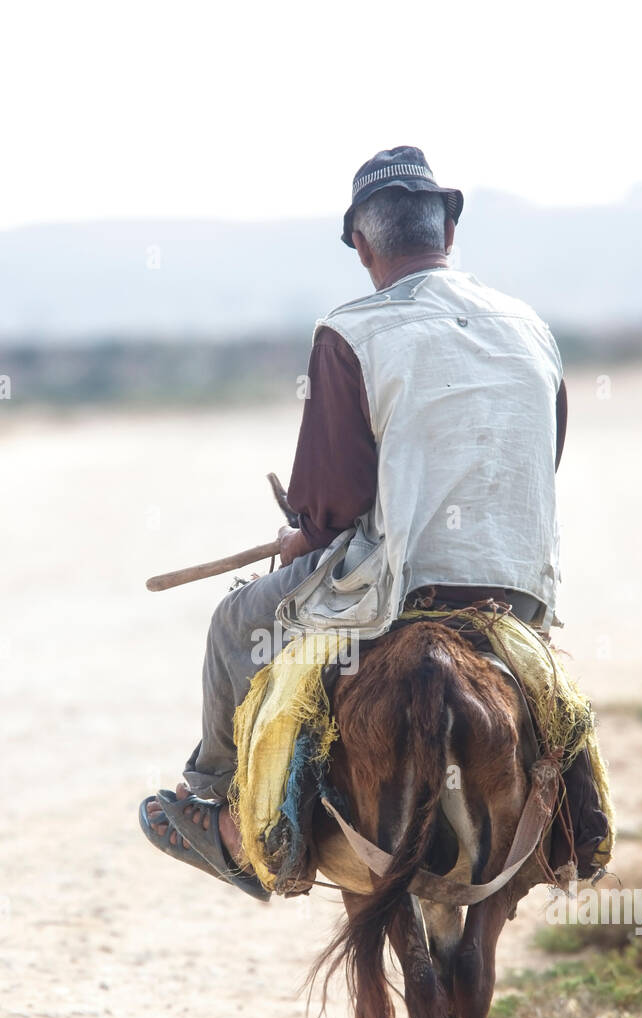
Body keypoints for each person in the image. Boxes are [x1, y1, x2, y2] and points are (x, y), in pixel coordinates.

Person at [139, 145, 577, 898]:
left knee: (236, 622)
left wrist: (300, 536)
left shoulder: (349, 332)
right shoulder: (531, 327)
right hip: (517, 589)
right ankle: (578, 830)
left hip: (399, 588)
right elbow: (543, 452)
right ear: (448, 230)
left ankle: (221, 817)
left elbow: (331, 504)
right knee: (558, 701)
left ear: (361, 244)